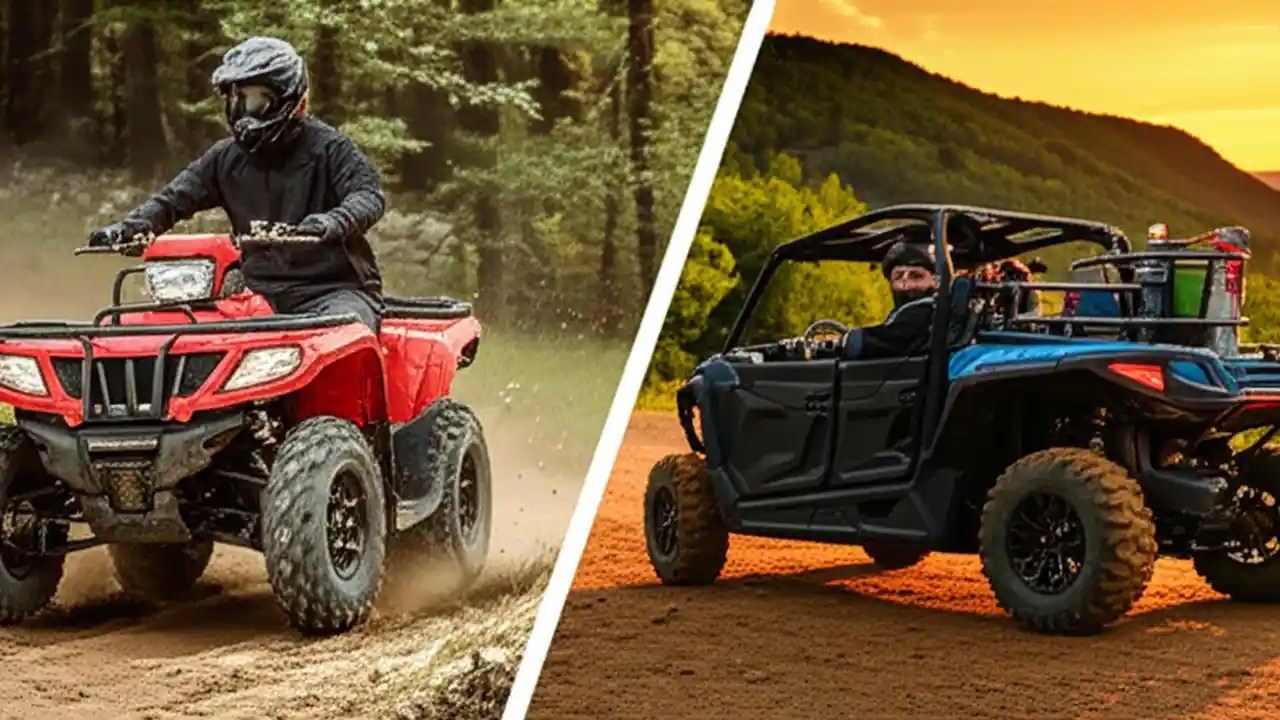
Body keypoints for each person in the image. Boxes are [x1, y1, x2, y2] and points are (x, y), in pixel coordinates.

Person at [87, 36, 386, 331]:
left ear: (289, 100)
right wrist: (130, 228)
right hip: (259, 297)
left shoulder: (330, 148)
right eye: (235, 98)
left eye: (254, 99)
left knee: (347, 334)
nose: (241, 111)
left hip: (335, 292)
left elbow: (369, 195)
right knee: (181, 336)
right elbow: (172, 201)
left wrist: (333, 221)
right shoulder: (225, 158)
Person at [842, 240, 938, 359]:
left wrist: (848, 341)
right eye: (898, 276)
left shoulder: (924, 313)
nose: (906, 284)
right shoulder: (902, 313)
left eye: (916, 276)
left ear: (935, 281)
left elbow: (895, 338)